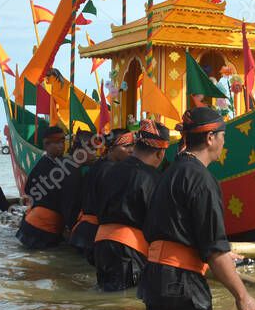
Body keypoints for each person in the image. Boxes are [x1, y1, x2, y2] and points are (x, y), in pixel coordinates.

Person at [139, 107, 255, 310]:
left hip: (153, 279)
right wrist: (243, 296)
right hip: (181, 282)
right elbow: (215, 253)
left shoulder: (169, 172)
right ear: (210, 138)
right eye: (223, 136)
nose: (224, 142)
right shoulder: (201, 179)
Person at [94, 120, 170, 291]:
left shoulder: (109, 171)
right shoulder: (153, 179)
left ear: (135, 147)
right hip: (128, 251)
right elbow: (158, 225)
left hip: (100, 246)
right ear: (160, 154)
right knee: (125, 308)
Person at [70, 128, 135, 264]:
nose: (131, 150)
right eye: (126, 146)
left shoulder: (99, 166)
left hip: (83, 231)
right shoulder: (112, 171)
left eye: (133, 145)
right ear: (111, 148)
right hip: (93, 234)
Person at [16, 126, 68, 248]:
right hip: (40, 228)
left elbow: (28, 189)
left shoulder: (53, 163)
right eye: (57, 143)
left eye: (62, 142)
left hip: (33, 222)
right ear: (46, 145)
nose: (61, 146)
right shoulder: (47, 167)